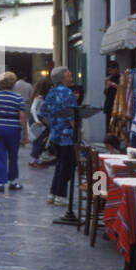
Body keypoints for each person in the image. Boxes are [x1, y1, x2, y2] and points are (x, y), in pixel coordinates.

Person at [40, 66, 77, 206]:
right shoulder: (67, 93)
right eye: (68, 72)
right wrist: (77, 132)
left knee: (60, 164)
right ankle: (60, 194)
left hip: (55, 135)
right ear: (63, 76)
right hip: (67, 136)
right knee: (68, 165)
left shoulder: (51, 92)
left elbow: (43, 113)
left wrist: (54, 126)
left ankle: (53, 192)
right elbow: (72, 115)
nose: (71, 73)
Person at [0, 71, 29, 192]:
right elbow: (22, 116)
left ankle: (0, 183)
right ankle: (13, 181)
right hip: (13, 129)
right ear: (13, 83)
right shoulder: (18, 98)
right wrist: (25, 133)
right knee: (13, 156)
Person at [28, 75, 52, 168]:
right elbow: (33, 109)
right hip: (37, 119)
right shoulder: (39, 97)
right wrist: (37, 120)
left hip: (40, 119)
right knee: (38, 140)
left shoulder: (42, 97)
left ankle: (36, 158)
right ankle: (33, 160)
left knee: (41, 140)